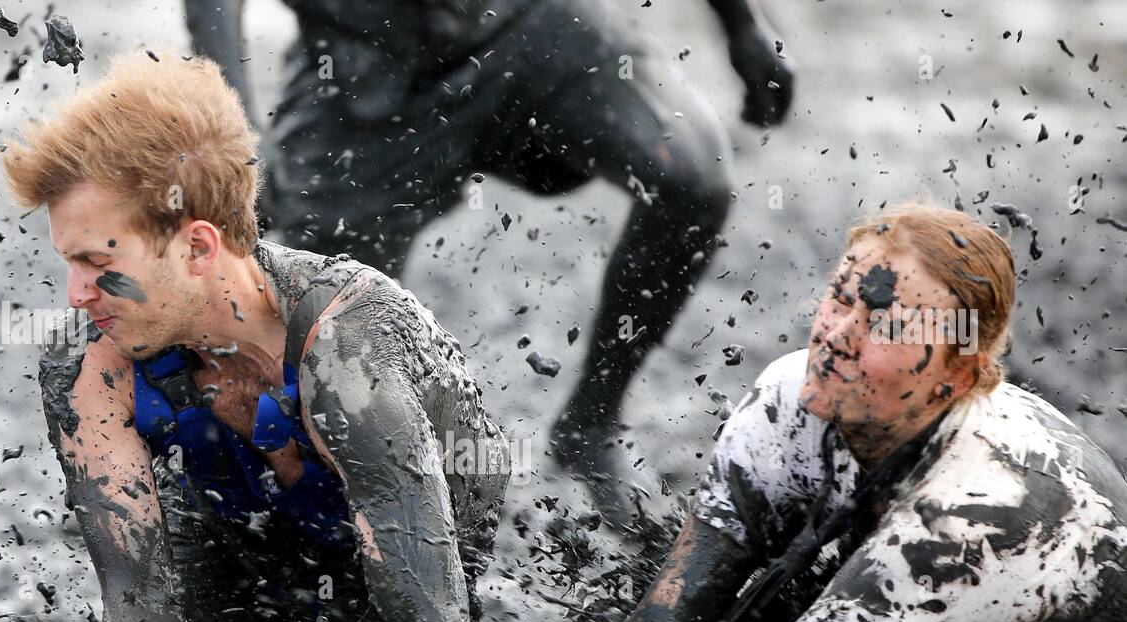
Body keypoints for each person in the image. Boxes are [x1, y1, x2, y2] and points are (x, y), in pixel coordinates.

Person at [392, 203, 1127, 622]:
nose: (837, 335)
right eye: (839, 300)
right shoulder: (787, 398)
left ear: (955, 379)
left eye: (882, 325)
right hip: (912, 602)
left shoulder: (963, 525)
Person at [0, 53, 510, 622]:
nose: (74, 295)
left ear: (199, 247)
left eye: (100, 265)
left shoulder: (347, 350)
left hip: (390, 570)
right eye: (68, 263)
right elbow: (137, 595)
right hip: (233, 536)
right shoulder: (87, 363)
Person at [186, 0, 794, 525]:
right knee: (326, 333)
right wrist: (233, 128)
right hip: (367, 66)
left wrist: (742, 24)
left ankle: (590, 424)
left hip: (529, 23)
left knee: (690, 179)